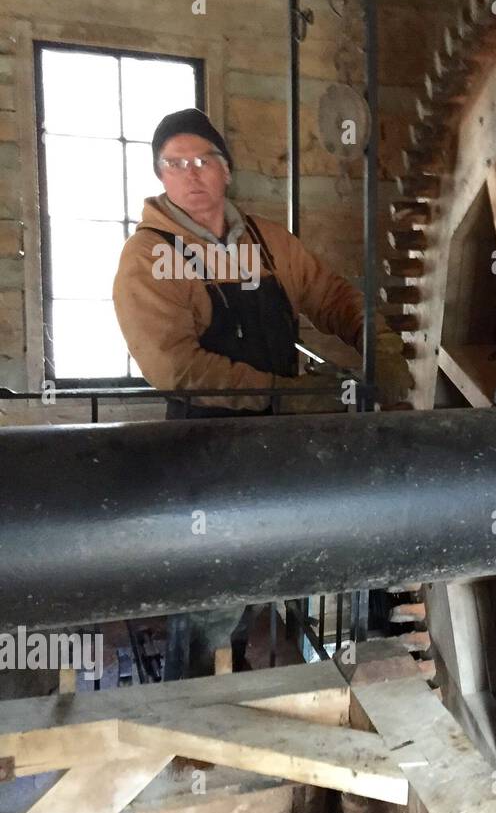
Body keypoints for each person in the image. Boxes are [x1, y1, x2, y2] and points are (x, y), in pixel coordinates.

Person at [113, 108, 414, 676]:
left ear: (225, 170)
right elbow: (177, 367)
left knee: (277, 563)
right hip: (207, 449)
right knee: (210, 591)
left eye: (203, 160)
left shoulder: (268, 243)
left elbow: (332, 298)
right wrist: (284, 393)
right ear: (160, 177)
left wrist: (382, 346)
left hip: (281, 438)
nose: (191, 173)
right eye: (175, 164)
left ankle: (269, 685)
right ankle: (192, 711)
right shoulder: (148, 260)